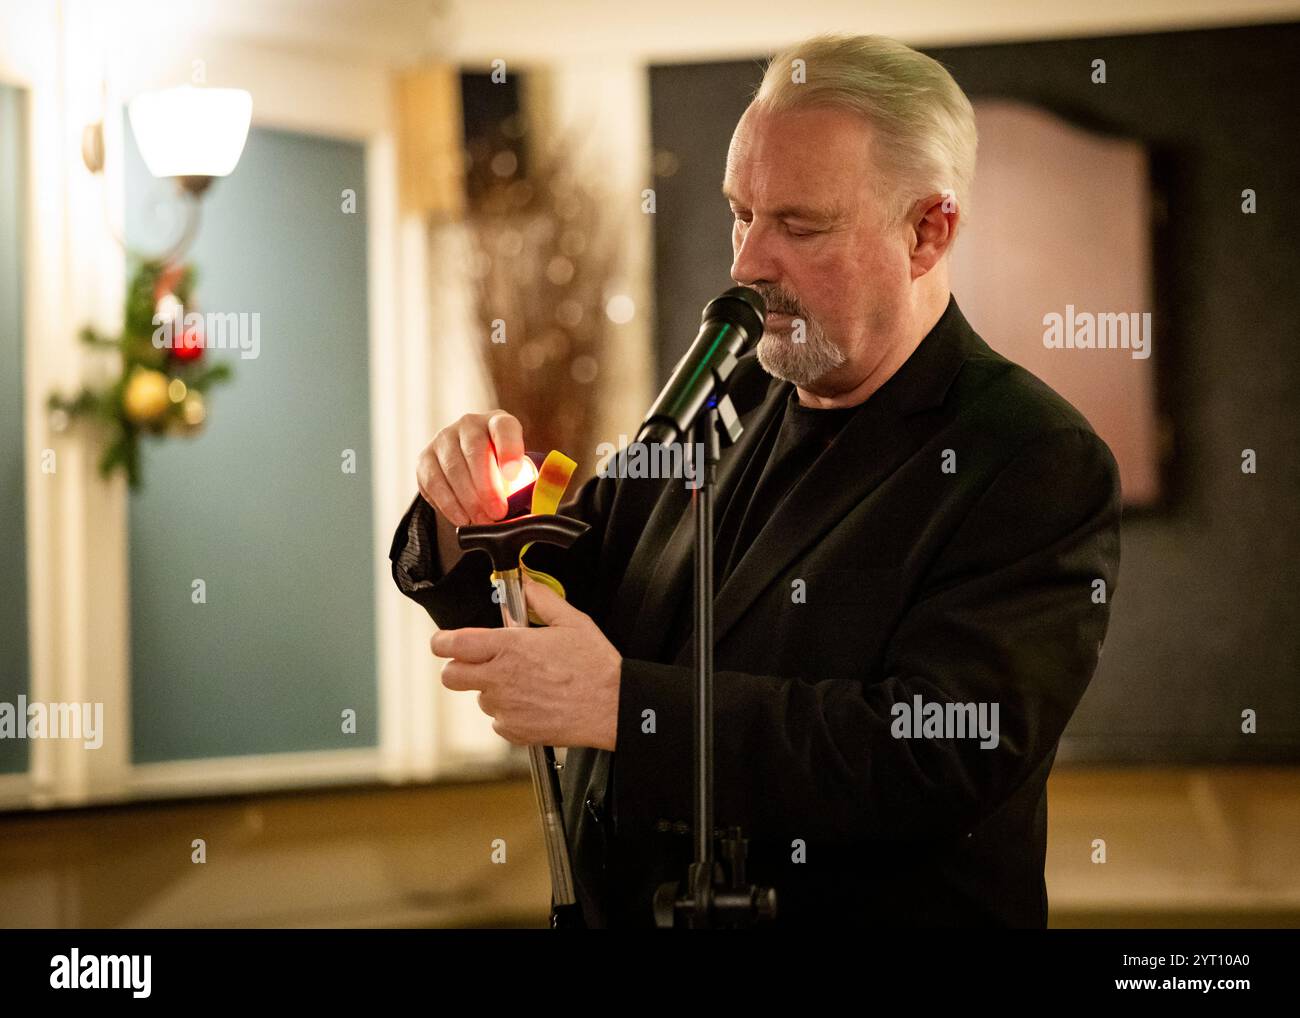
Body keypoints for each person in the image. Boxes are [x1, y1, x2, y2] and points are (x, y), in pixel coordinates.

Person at [390, 33, 1121, 927]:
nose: (746, 263)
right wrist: (469, 514)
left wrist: (633, 709)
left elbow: (944, 751)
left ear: (928, 232)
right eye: (742, 214)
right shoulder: (721, 388)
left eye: (799, 225)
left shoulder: (1033, 456)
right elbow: (565, 576)